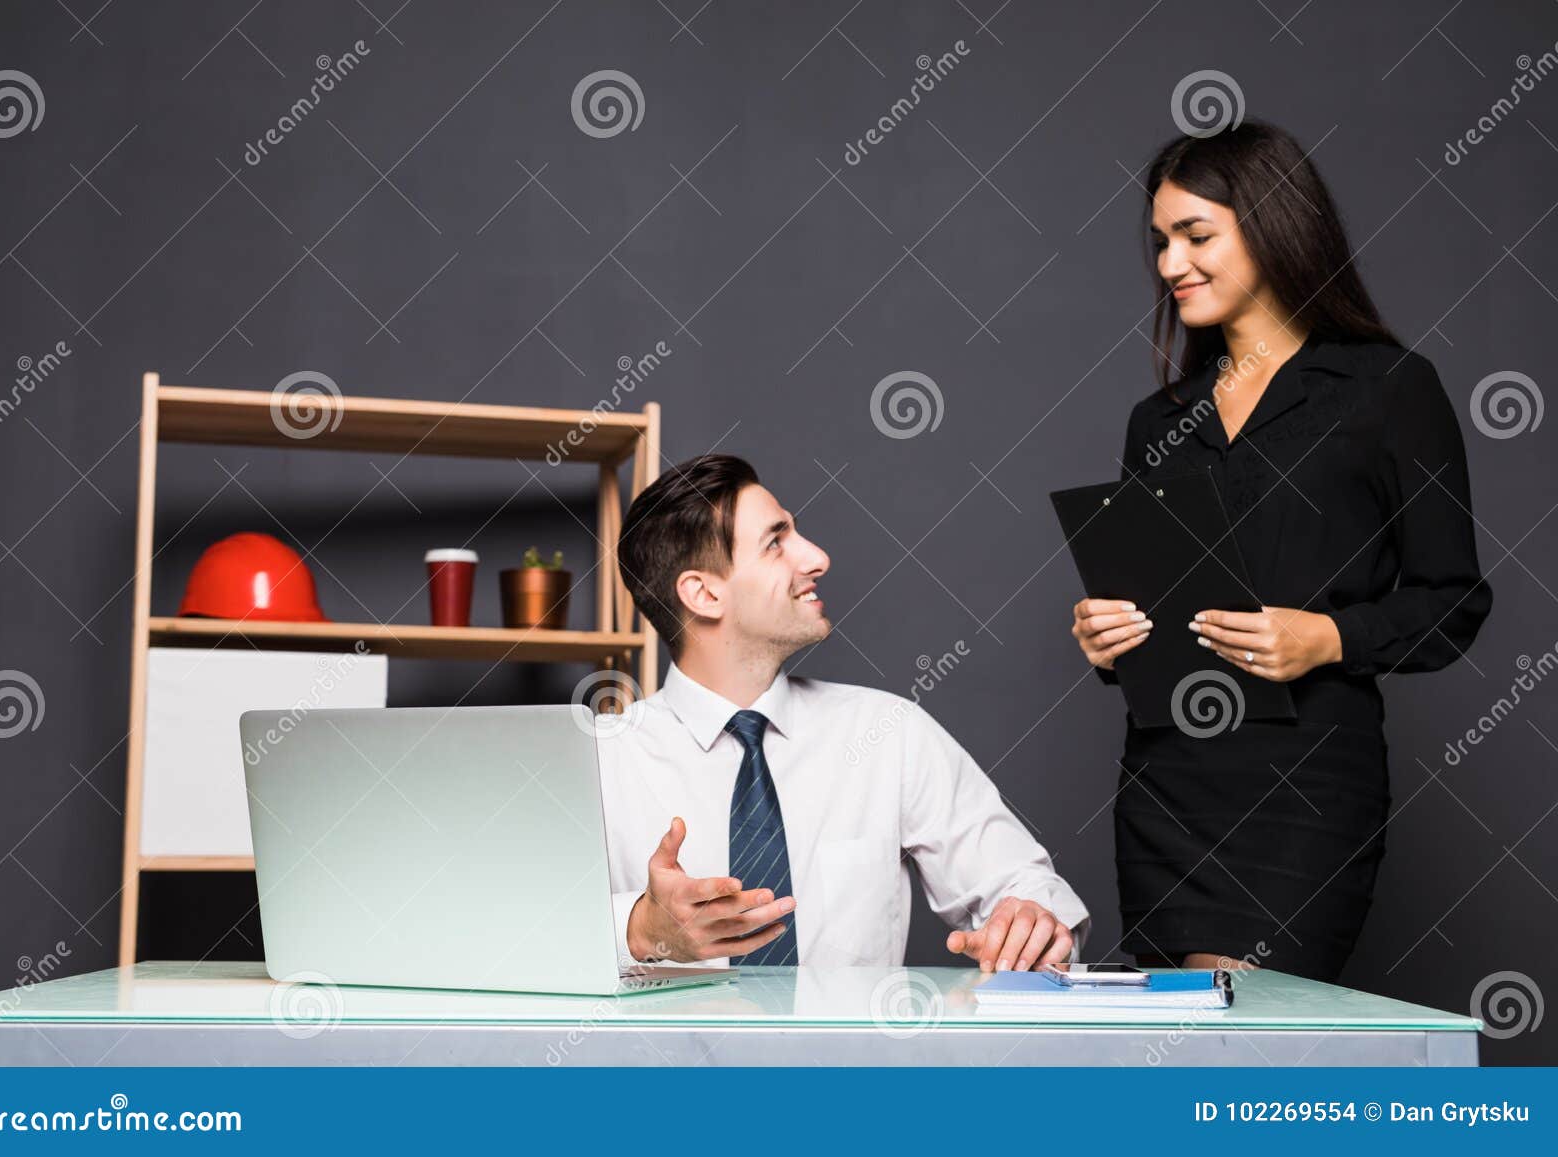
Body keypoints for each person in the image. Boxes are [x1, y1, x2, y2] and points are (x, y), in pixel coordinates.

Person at [1070, 119, 1492, 981]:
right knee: (1175, 1050)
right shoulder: (1157, 421)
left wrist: (1328, 638)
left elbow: (1454, 600)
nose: (1169, 265)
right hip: (1165, 790)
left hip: (1305, 792)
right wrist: (1105, 639)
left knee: (1241, 1035)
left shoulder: (1388, 389)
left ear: (1270, 225)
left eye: (1195, 236)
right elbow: (1152, 617)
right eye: (1159, 242)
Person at [601, 453, 1088, 972]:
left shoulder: (890, 733)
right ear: (704, 593)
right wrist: (636, 929)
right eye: (775, 543)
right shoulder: (598, 758)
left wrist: (1032, 923)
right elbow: (519, 939)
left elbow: (1026, 887)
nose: (816, 557)